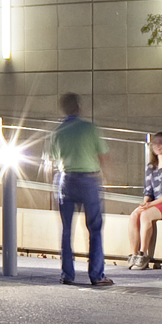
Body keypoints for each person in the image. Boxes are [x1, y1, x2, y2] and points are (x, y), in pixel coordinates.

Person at [49, 94, 108, 287]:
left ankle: (67, 274)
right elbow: (102, 155)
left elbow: (52, 158)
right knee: (95, 229)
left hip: (66, 179)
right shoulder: (89, 128)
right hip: (89, 180)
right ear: (78, 107)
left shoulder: (57, 131)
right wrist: (105, 176)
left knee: (66, 229)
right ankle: (97, 275)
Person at [126, 131, 162, 269]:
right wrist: (146, 202)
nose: (158, 146)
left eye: (161, 143)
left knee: (146, 215)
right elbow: (148, 190)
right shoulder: (151, 167)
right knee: (135, 214)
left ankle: (143, 254)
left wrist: (150, 205)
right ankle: (133, 254)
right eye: (155, 143)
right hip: (154, 204)